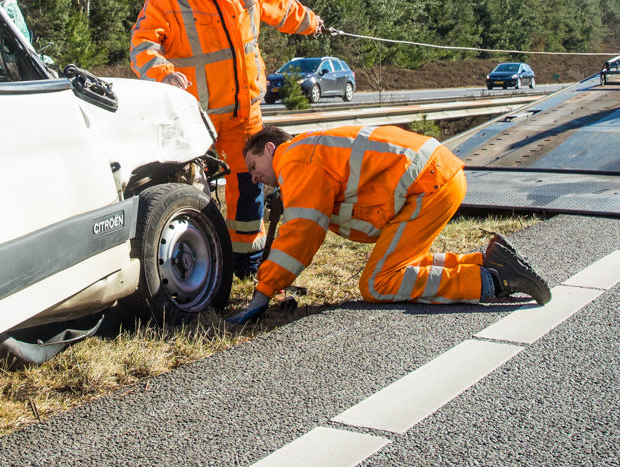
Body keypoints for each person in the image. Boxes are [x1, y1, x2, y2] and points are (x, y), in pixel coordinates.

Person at [227, 123, 552, 324]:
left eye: (254, 166)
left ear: (271, 148)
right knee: (399, 264)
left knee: (377, 283)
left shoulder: (295, 159)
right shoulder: (313, 146)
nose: (256, 178)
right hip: (436, 176)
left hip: (427, 185)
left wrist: (264, 292)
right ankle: (487, 260)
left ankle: (492, 281)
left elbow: (302, 229)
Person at [130, 0, 324, 272]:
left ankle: (246, 260)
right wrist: (164, 74)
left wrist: (312, 23)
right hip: (196, 118)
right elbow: (141, 44)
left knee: (250, 185)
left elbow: (282, 6)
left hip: (244, 113)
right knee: (191, 190)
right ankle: (194, 263)